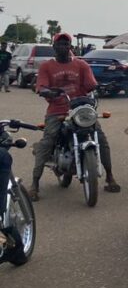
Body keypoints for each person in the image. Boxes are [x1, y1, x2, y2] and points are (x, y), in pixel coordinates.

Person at [30, 32, 120, 201]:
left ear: (70, 47)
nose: (63, 47)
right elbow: (41, 87)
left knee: (100, 137)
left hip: (80, 109)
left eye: (66, 44)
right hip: (57, 111)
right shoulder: (46, 67)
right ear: (54, 47)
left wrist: (98, 87)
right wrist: (46, 91)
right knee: (48, 141)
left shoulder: (81, 65)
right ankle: (34, 184)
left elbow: (91, 84)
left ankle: (110, 176)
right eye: (60, 44)